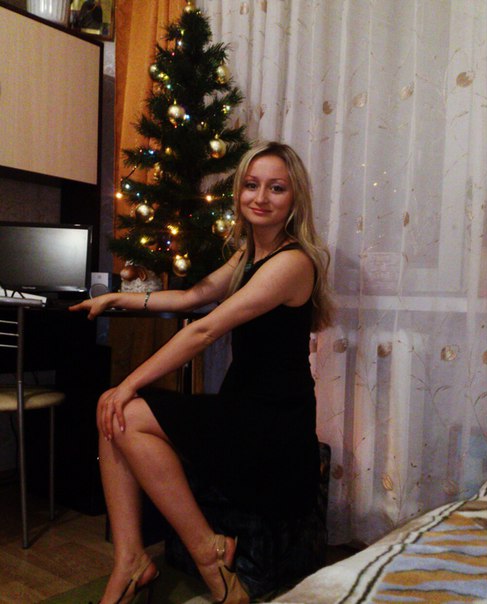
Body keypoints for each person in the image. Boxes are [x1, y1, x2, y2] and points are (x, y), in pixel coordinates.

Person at [70, 141, 333, 604]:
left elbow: (205, 329)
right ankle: (130, 560)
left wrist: (130, 383)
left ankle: (210, 556)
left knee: (122, 407)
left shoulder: (292, 262)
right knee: (112, 411)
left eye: (276, 188)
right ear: (239, 192)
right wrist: (118, 298)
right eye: (251, 185)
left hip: (275, 429)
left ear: (295, 198)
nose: (260, 197)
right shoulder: (249, 254)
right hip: (243, 410)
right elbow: (192, 297)